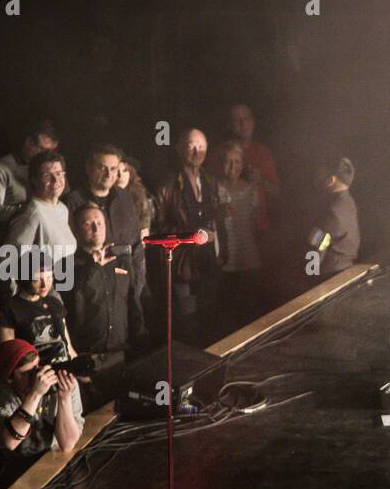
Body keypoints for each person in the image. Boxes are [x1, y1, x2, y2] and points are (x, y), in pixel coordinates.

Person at [64, 202, 145, 404]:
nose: (96, 228)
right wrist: (93, 268)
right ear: (76, 230)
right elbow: (72, 307)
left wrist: (141, 344)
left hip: (121, 355)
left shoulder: (121, 261)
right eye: (88, 224)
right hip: (89, 360)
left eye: (99, 222)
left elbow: (133, 303)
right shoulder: (68, 267)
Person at [151, 128, 223, 343]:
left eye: (201, 146)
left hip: (209, 262)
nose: (196, 151)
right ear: (179, 149)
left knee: (210, 317)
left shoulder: (210, 181)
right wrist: (192, 235)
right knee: (186, 322)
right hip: (182, 265)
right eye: (191, 145)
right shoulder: (167, 184)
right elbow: (158, 229)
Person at [0, 338, 83, 483]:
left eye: (37, 366)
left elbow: (67, 444)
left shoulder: (62, 380)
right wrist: (35, 394)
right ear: (9, 378)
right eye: (27, 373)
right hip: (19, 471)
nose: (37, 375)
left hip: (57, 458)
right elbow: (9, 442)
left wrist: (64, 398)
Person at [64, 143, 145, 300]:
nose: (109, 174)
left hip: (126, 284)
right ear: (88, 168)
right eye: (102, 168)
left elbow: (137, 246)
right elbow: (69, 250)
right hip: (90, 288)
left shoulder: (126, 198)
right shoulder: (72, 202)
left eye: (113, 169)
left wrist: (137, 283)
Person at [5, 149, 76, 297]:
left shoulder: (62, 209)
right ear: (35, 180)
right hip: (45, 294)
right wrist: (21, 299)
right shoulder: (32, 213)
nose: (56, 180)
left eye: (59, 173)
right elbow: (8, 260)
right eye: (47, 175)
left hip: (66, 290)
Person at [0, 118, 59, 236]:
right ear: (29, 142)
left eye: (51, 151)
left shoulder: (52, 168)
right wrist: (27, 209)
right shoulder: (1, 168)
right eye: (43, 150)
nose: (47, 156)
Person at [212, 140, 262, 322]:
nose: (233, 166)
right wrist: (217, 213)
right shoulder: (214, 188)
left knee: (249, 308)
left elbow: (256, 223)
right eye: (228, 161)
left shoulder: (250, 190)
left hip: (248, 254)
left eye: (237, 162)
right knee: (227, 309)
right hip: (225, 257)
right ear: (221, 163)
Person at [0, 265, 75, 364]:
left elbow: (67, 344)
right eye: (37, 279)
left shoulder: (54, 302)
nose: (45, 285)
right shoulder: (10, 307)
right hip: (37, 370)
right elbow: (9, 354)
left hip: (63, 363)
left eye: (49, 277)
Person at [227, 103, 279, 234]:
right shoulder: (219, 154)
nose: (243, 123)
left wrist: (261, 179)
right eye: (237, 120)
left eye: (246, 119)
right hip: (231, 230)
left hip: (260, 229)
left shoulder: (263, 153)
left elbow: (276, 193)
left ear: (253, 122)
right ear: (230, 124)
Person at [308, 155, 360, 277]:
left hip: (330, 275)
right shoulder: (348, 202)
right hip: (346, 268)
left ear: (330, 180)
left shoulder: (331, 211)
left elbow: (318, 246)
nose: (316, 178)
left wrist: (309, 274)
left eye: (320, 175)